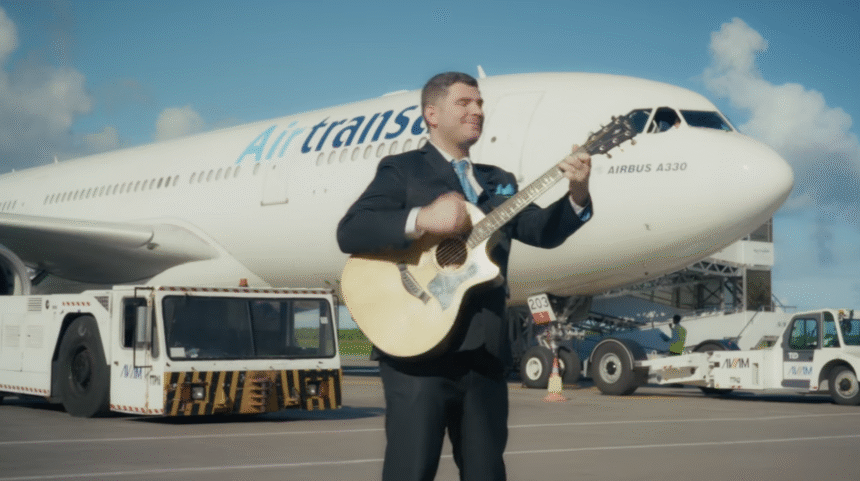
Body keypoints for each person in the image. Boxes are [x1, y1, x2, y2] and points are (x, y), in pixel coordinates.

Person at [336, 71, 592, 481]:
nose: (477, 111)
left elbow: (542, 232)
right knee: (410, 470)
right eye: (465, 103)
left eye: (480, 104)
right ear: (432, 114)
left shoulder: (498, 183)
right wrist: (422, 218)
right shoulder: (403, 171)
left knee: (486, 472)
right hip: (416, 353)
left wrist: (577, 193)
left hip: (485, 357)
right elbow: (351, 230)